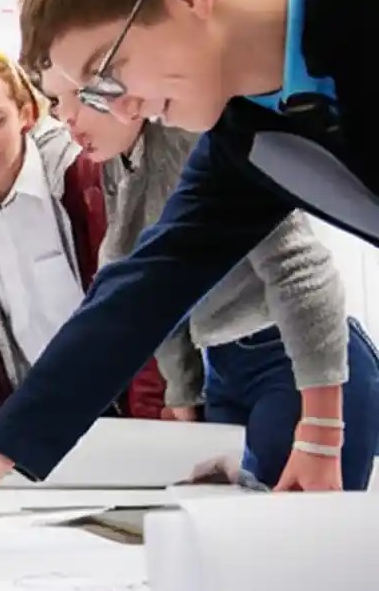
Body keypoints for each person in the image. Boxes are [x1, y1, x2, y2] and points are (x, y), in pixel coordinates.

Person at [0, 0, 379, 559]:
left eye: (106, 71)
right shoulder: (239, 137)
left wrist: (320, 426)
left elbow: (302, 271)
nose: (120, 110)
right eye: (90, 93)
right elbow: (129, 302)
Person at [38, 65, 379, 491]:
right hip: (222, 366)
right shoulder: (118, 162)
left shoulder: (194, 137)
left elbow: (302, 269)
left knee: (307, 538)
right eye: (55, 102)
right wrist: (183, 390)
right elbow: (148, 291)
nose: (66, 116)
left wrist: (322, 426)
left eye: (80, 95)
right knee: (235, 533)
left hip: (294, 359)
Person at [0, 48, 164, 418]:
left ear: (25, 115)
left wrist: (151, 410)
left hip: (116, 397)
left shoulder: (80, 171)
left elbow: (133, 296)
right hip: (33, 406)